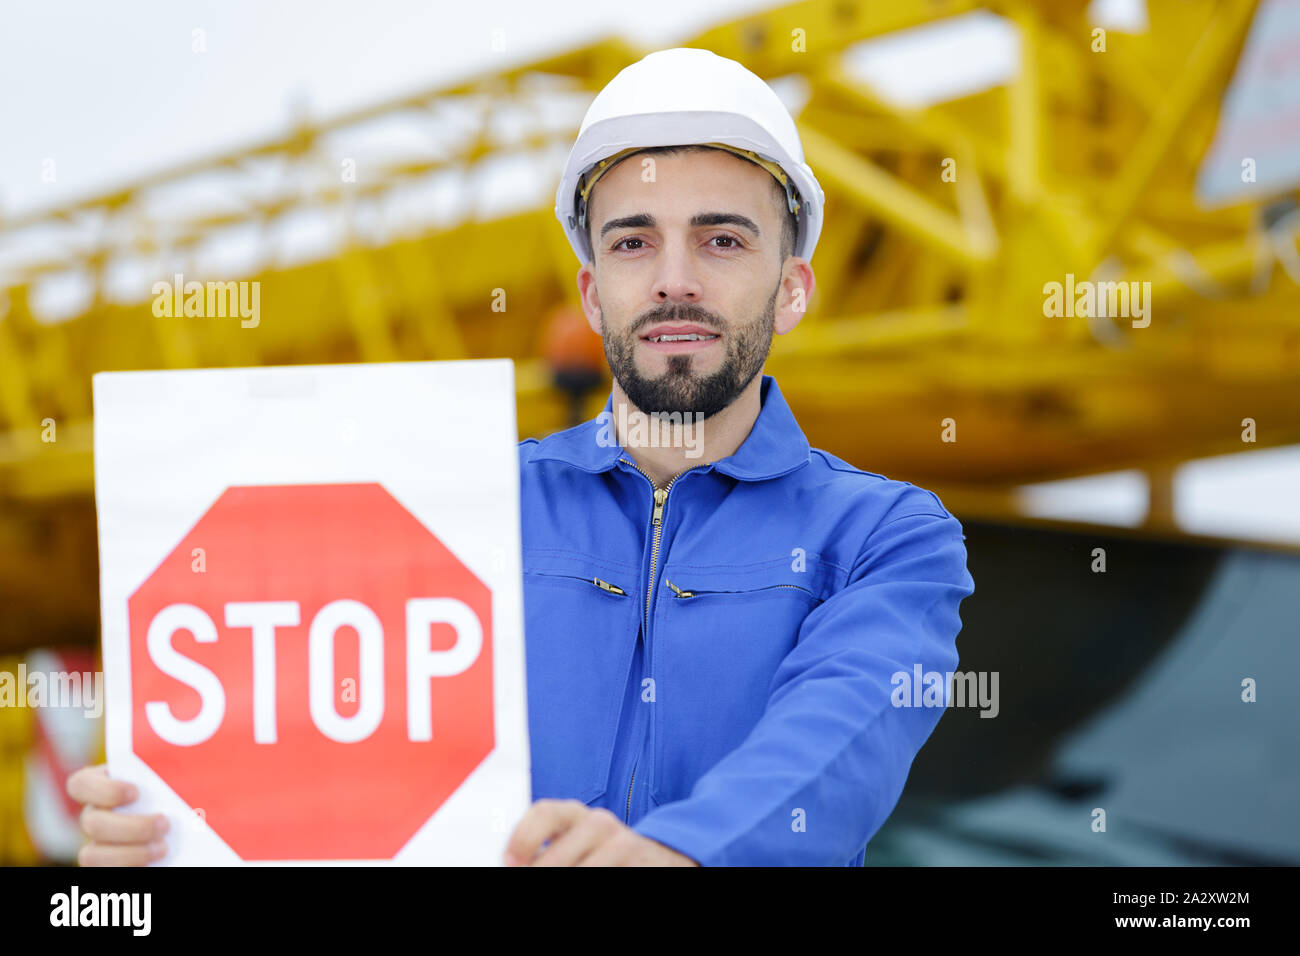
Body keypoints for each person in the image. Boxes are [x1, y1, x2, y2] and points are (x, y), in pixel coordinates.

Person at [67, 47, 974, 867]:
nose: (673, 276)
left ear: (792, 289)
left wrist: (675, 854)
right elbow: (322, 766)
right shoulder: (462, 502)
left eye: (722, 238)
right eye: (632, 241)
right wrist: (167, 838)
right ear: (592, 291)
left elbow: (843, 737)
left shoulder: (887, 539)